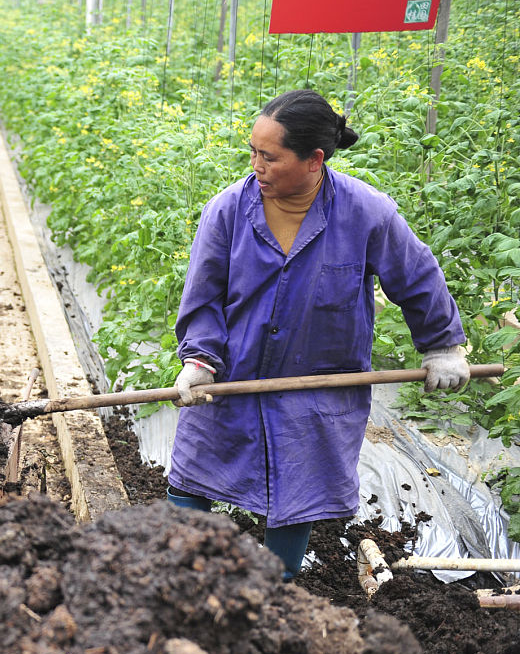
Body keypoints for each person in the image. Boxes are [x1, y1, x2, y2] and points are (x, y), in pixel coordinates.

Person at [166, 89, 469, 580]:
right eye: (253, 152)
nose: (256, 165)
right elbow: (203, 298)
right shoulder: (227, 211)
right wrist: (200, 360)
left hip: (317, 386)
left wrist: (441, 346)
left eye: (269, 156)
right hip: (231, 378)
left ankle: (274, 593)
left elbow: (416, 276)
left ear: (314, 160)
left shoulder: (365, 212)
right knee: (193, 476)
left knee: (296, 493)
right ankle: (177, 580)